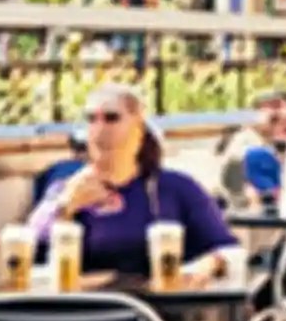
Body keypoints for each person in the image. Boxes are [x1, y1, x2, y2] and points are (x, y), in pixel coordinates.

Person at [28, 84, 239, 280]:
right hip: (84, 312)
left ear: (138, 130)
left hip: (153, 312)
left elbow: (230, 252)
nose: (100, 128)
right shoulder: (65, 189)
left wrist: (210, 264)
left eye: (111, 118)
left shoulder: (175, 189)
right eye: (91, 119)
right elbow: (27, 255)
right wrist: (65, 208)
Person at [216, 89, 286, 209]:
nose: (280, 114)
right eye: (273, 107)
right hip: (248, 216)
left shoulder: (277, 143)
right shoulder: (244, 144)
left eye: (283, 108)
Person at [33, 128, 88, 204]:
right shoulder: (58, 167)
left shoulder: (57, 167)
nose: (81, 153)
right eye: (79, 149)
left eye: (82, 149)